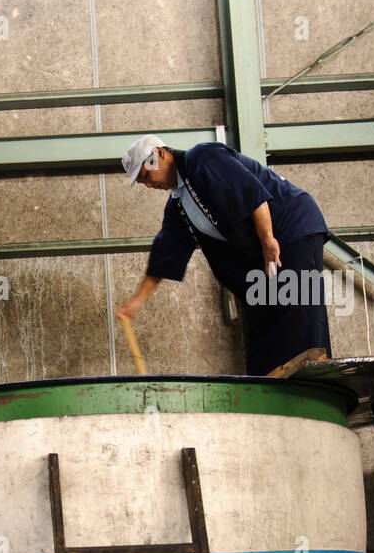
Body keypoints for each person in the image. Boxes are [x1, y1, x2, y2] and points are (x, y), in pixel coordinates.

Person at [114, 135, 332, 376]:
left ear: (159, 154)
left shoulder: (203, 158)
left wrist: (268, 239)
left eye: (145, 175)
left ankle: (313, 382)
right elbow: (165, 255)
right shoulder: (178, 204)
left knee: (299, 309)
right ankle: (268, 386)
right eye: (141, 182)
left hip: (291, 228)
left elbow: (251, 194)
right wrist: (135, 302)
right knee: (262, 315)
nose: (148, 185)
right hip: (261, 251)